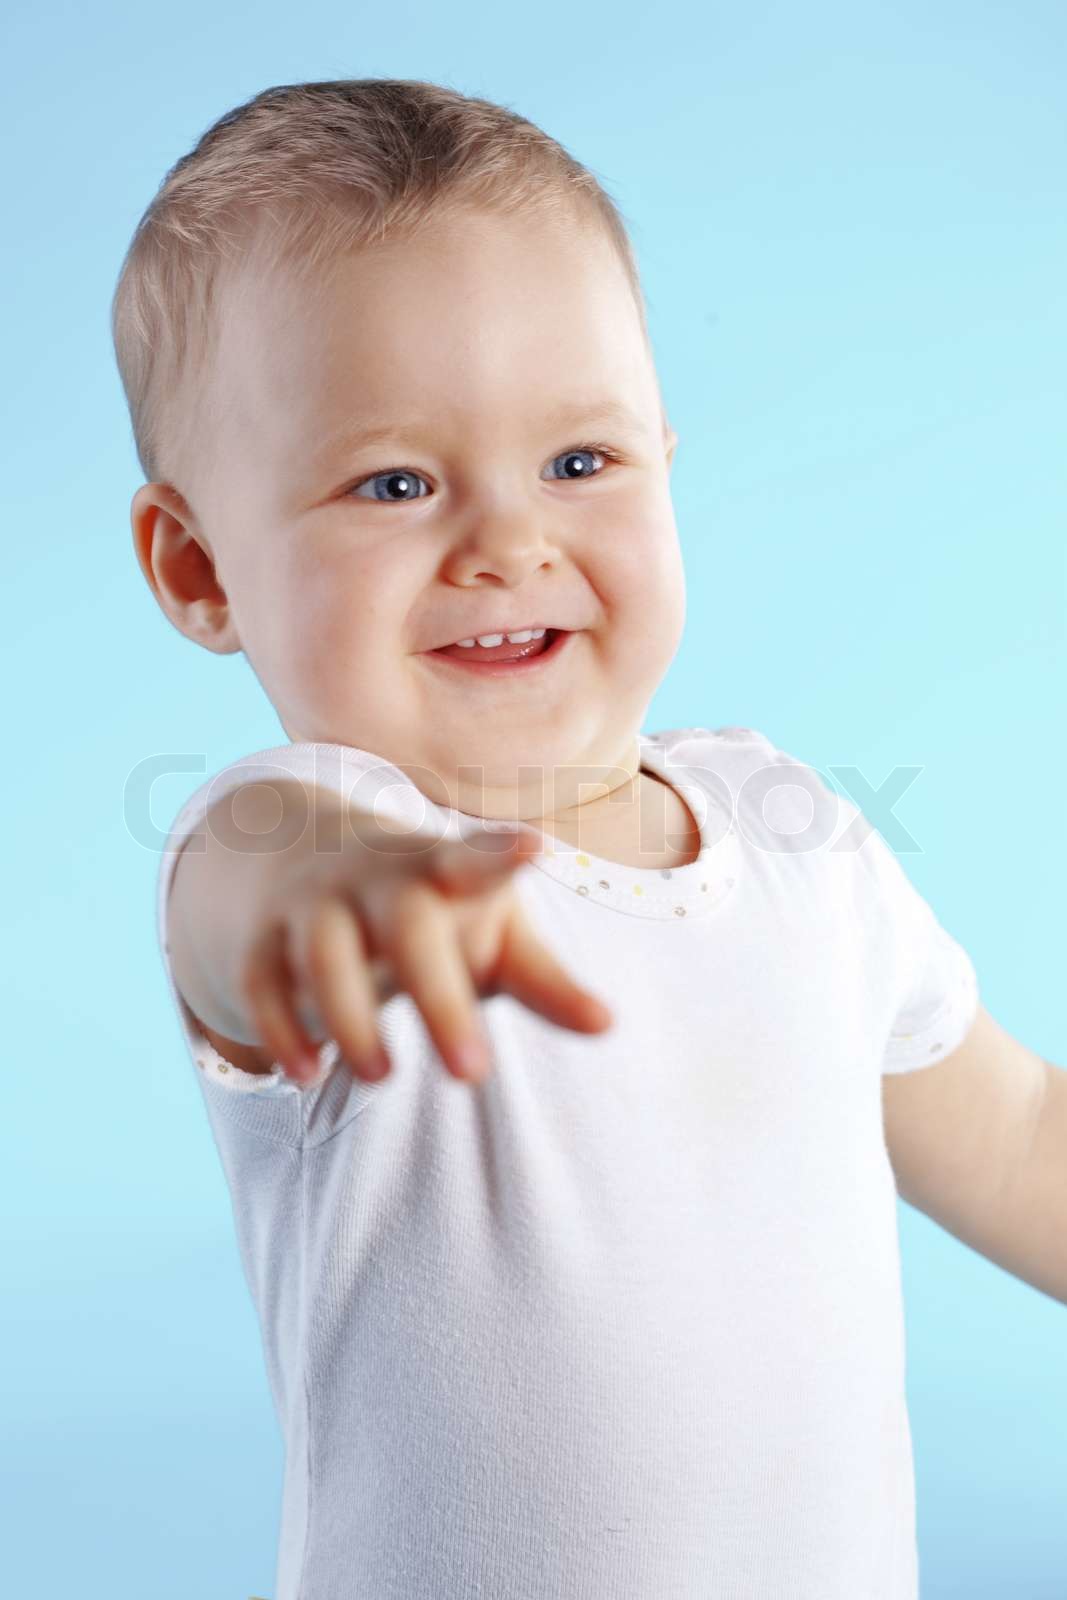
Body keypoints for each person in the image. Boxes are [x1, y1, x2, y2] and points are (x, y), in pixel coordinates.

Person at [116, 78, 985, 1599]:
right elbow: (245, 883)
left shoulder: (802, 845)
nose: (509, 542)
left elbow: (1020, 1132)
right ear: (200, 568)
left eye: (579, 464)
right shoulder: (322, 835)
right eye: (394, 483)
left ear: (665, 455)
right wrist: (352, 898)